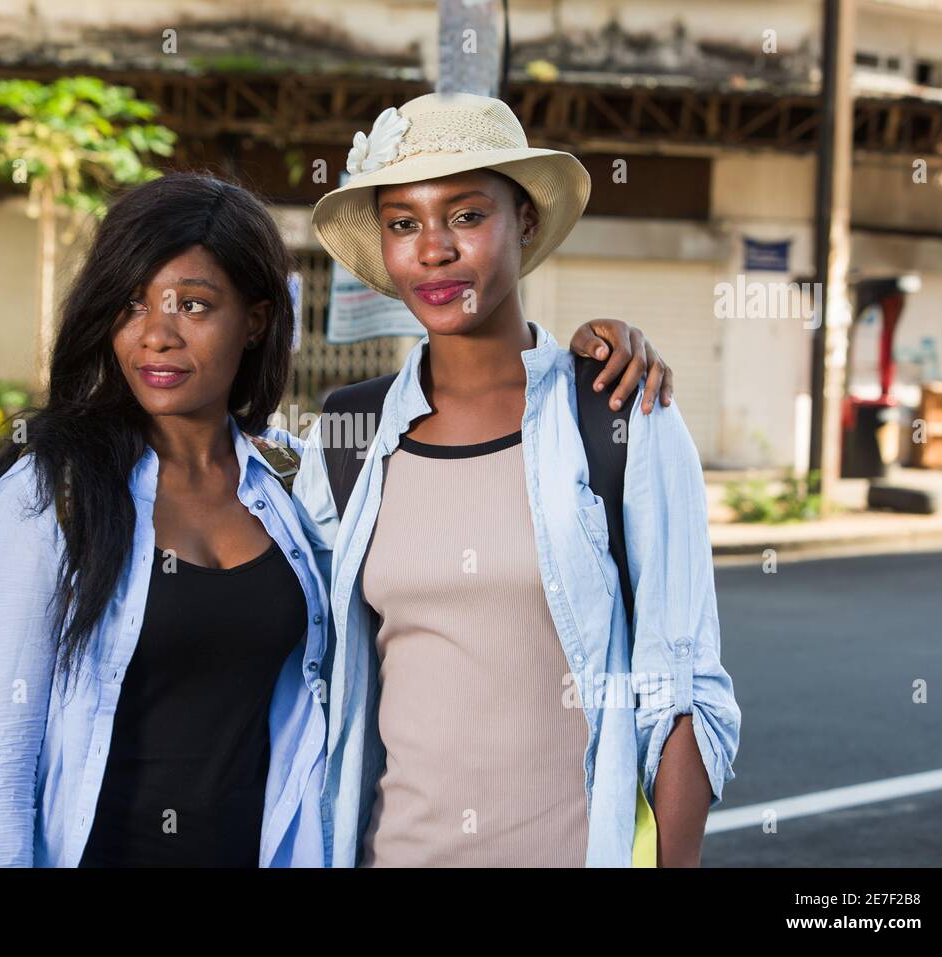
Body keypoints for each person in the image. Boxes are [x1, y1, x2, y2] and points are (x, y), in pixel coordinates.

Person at [0, 168, 675, 868]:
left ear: (255, 320)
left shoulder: (294, 479)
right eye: (130, 303)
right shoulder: (51, 494)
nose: (157, 334)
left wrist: (591, 351)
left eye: (192, 304)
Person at [296, 92, 741, 867]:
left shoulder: (620, 412)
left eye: (466, 215)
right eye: (403, 223)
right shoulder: (348, 433)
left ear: (526, 221)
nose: (432, 249)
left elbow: (682, 693)